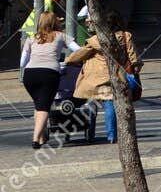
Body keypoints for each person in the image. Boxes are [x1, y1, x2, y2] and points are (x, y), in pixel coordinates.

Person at [73, 9, 140, 144]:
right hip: (118, 76)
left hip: (96, 78)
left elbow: (81, 54)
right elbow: (133, 57)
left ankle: (91, 132)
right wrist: (136, 70)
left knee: (93, 104)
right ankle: (112, 135)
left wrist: (68, 59)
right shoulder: (126, 36)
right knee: (113, 106)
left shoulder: (95, 40)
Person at [20, 11, 77, 149]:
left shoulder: (32, 38)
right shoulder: (61, 36)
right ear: (54, 22)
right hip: (49, 74)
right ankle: (35, 139)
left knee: (38, 105)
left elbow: (22, 63)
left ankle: (41, 138)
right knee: (44, 107)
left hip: (29, 75)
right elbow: (78, 49)